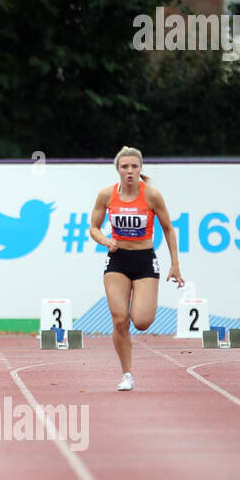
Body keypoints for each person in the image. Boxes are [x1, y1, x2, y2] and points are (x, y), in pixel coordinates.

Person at [88, 146, 185, 392]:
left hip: (144, 261)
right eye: (125, 167)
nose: (129, 171)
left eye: (134, 166)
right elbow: (94, 227)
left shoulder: (152, 195)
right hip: (117, 260)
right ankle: (127, 373)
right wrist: (105, 240)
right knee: (120, 318)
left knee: (141, 321)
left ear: (140, 169)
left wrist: (175, 264)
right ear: (118, 170)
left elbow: (168, 229)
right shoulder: (106, 195)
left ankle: (138, 308)